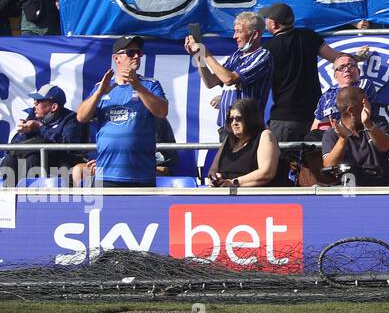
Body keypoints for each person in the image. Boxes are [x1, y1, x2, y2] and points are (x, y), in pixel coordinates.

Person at [258, 1, 355, 186]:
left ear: (275, 24)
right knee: (315, 168)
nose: (265, 23)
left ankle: (282, 206)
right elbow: (335, 56)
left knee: (279, 167)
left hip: (284, 118)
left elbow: (252, 77)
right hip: (312, 118)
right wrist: (356, 58)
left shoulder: (268, 48)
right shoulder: (309, 36)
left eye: (267, 19)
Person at [75, 35, 169, 187]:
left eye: (139, 52)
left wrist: (137, 86)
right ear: (116, 58)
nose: (137, 56)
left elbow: (162, 112)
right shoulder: (102, 86)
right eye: (131, 53)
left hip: (141, 175)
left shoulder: (150, 84)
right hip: (107, 174)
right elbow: (81, 117)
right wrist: (99, 94)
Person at [183, 12, 274, 134]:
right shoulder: (236, 55)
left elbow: (229, 79)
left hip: (247, 129)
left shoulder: (262, 56)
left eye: (239, 31)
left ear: (255, 34)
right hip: (226, 128)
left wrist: (205, 52)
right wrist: (199, 56)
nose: (234, 37)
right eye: (234, 31)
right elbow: (211, 82)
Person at [0, 84, 87, 185]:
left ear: (54, 107)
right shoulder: (34, 114)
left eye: (39, 101)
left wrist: (40, 127)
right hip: (37, 161)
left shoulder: (71, 119)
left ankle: (31, 195)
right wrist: (23, 132)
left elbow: (67, 146)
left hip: (59, 164)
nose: (34, 103)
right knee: (10, 158)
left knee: (32, 157)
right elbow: (15, 145)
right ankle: (4, 196)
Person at [321, 85, 389, 187]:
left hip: (380, 188)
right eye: (364, 102)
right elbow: (329, 164)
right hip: (349, 192)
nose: (368, 105)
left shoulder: (377, 122)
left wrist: (368, 124)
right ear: (351, 110)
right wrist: (343, 138)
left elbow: (384, 146)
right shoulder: (331, 134)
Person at [207, 98, 287, 188]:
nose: (234, 123)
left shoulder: (265, 136)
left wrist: (233, 183)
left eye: (238, 119)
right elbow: (213, 169)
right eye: (231, 119)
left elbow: (266, 173)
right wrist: (214, 178)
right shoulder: (228, 140)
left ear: (250, 119)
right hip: (228, 196)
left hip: (258, 197)